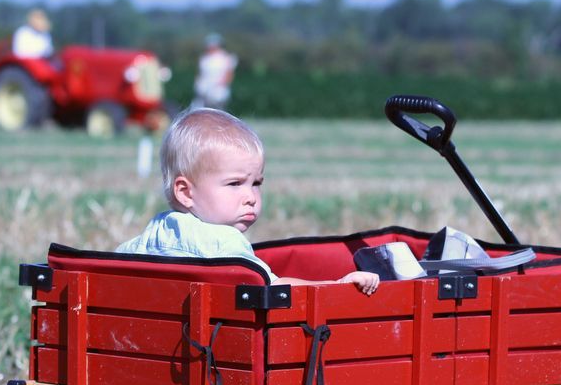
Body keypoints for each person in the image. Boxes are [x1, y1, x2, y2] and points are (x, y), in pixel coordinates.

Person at [116, 108, 379, 294]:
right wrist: (336, 287)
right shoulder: (224, 243)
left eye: (256, 184)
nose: (251, 197)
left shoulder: (155, 231)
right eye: (234, 184)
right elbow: (274, 289)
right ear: (185, 192)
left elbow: (113, 264)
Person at [192, 33, 237, 110]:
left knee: (218, 110)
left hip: (218, 89)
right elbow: (200, 74)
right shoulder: (204, 58)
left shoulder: (226, 57)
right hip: (204, 87)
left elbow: (229, 75)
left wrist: (218, 85)